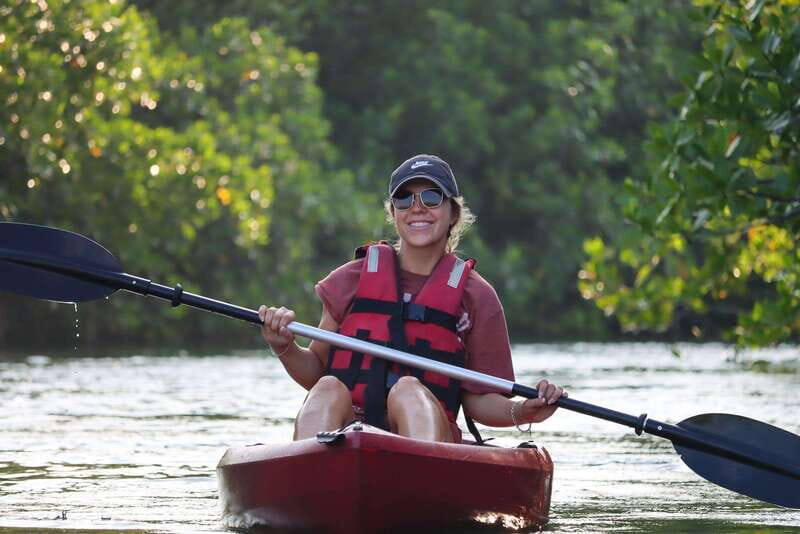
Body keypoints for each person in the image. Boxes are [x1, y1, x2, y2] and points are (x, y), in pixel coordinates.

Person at [259, 154, 566, 443]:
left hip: (430, 438)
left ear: (453, 214)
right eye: (404, 199)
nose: (417, 207)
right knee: (327, 387)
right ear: (393, 214)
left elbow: (478, 400)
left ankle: (419, 478)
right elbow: (316, 370)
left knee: (408, 390)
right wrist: (284, 346)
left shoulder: (477, 297)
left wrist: (523, 411)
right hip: (348, 434)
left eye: (431, 197)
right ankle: (312, 477)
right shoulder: (351, 280)